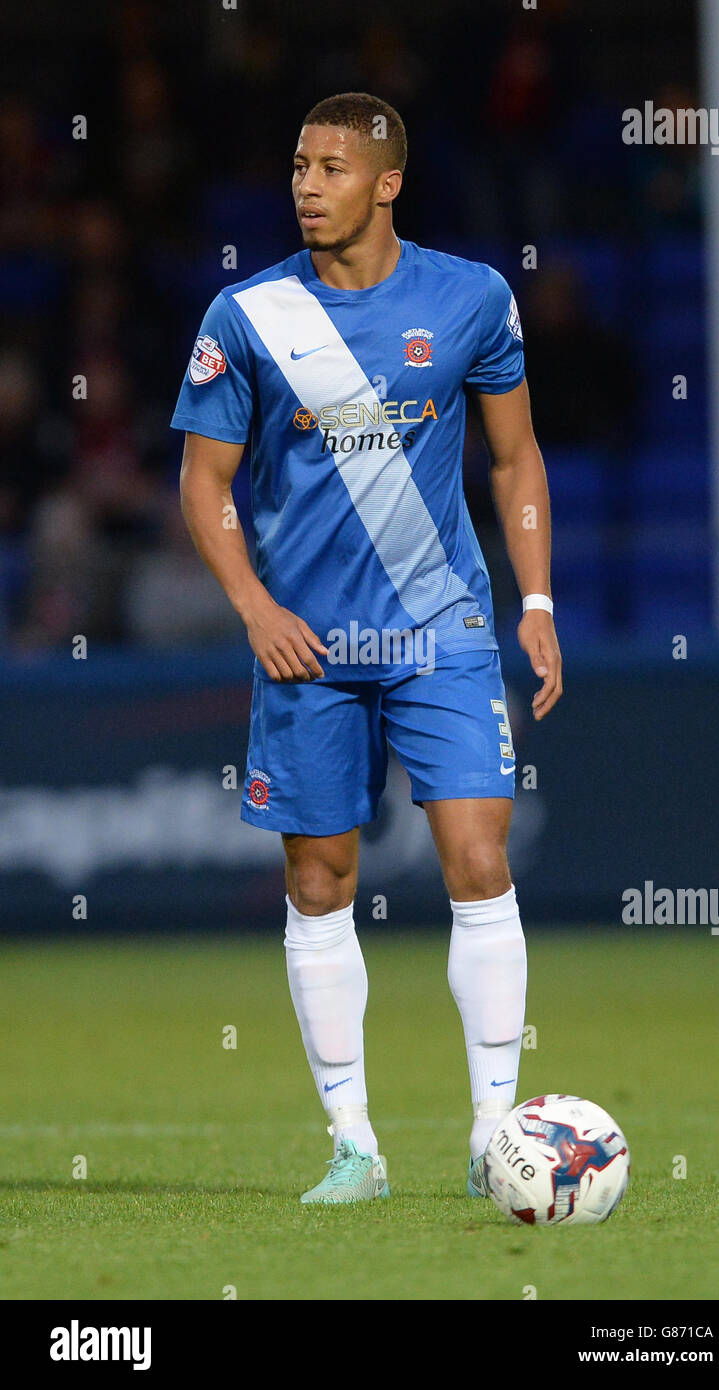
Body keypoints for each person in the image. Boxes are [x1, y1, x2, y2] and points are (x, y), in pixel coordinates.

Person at [172, 92, 562, 1204]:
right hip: (306, 645)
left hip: (441, 626)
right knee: (318, 878)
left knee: (480, 863)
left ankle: (497, 1132)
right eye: (298, 163)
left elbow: (516, 459)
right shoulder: (247, 315)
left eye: (331, 167)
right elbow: (202, 485)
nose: (306, 183)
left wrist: (533, 602)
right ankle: (355, 1146)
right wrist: (253, 608)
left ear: (385, 183)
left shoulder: (472, 297)